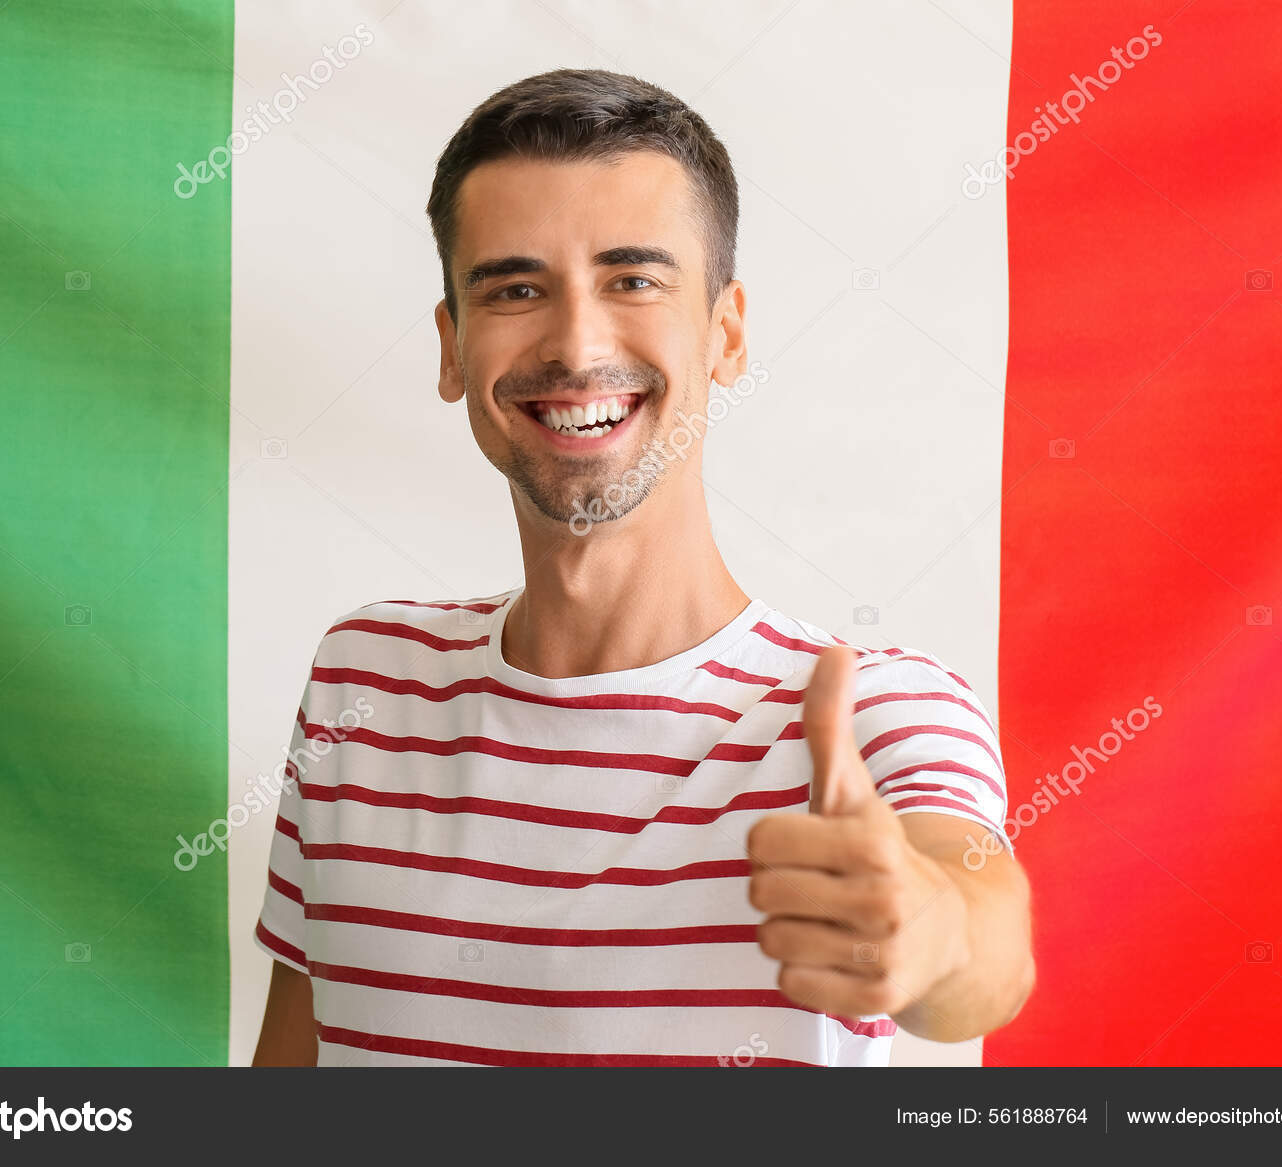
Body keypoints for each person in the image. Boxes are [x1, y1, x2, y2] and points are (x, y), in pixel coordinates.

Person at [252, 68, 1033, 1067]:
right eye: (517, 288)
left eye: (633, 279)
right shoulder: (363, 680)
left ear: (725, 333)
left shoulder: (872, 711)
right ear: (452, 348)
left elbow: (986, 947)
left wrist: (930, 932)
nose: (576, 344)